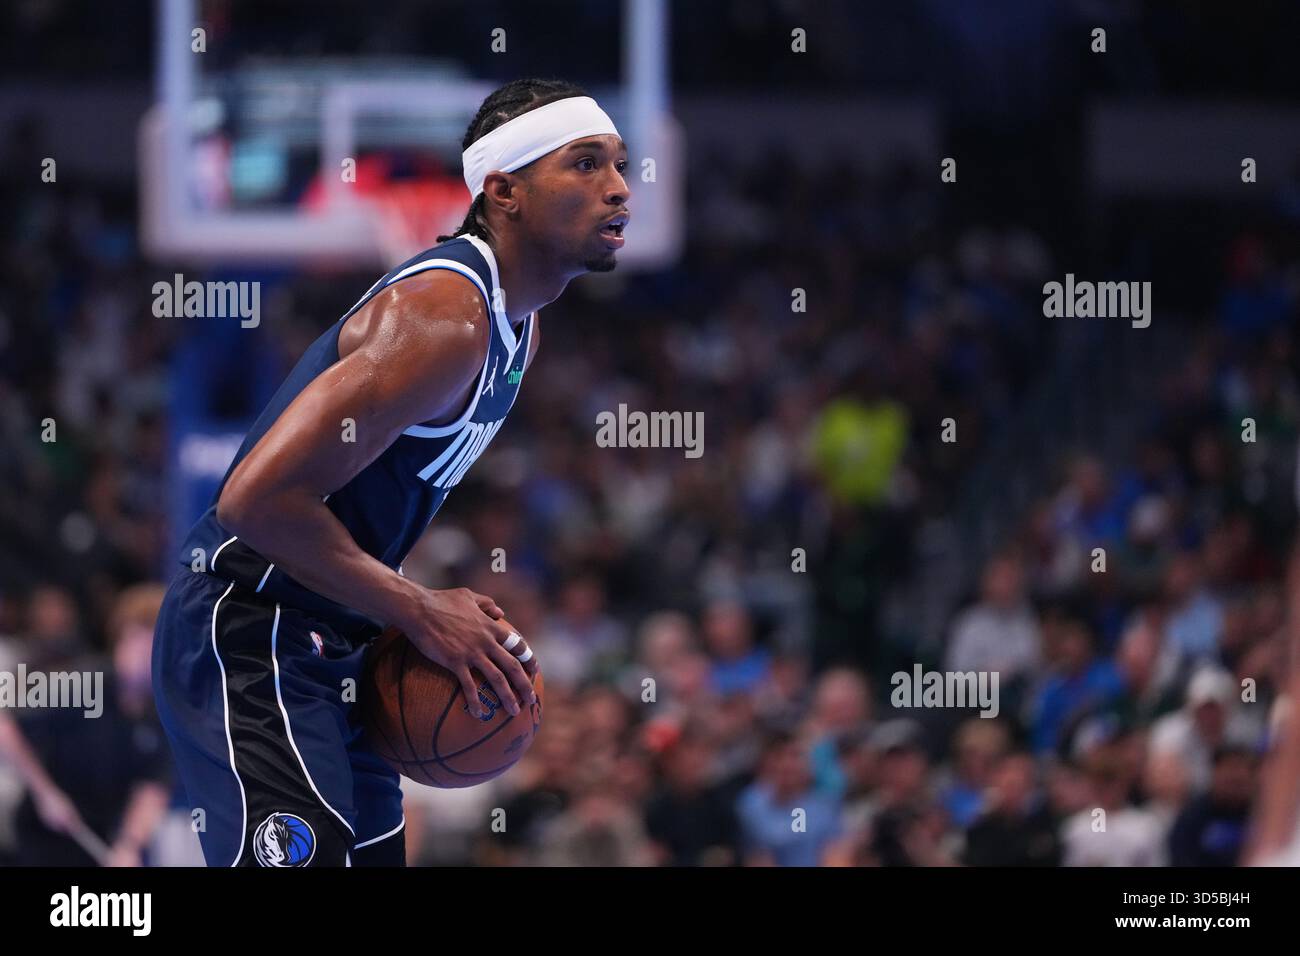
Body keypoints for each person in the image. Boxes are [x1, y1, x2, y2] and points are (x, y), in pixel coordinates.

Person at [152, 78, 630, 867]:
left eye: (619, 165)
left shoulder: (520, 331)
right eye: (585, 165)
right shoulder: (445, 318)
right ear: (503, 191)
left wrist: (409, 614)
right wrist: (419, 608)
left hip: (338, 636)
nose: (617, 188)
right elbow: (252, 500)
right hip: (250, 627)